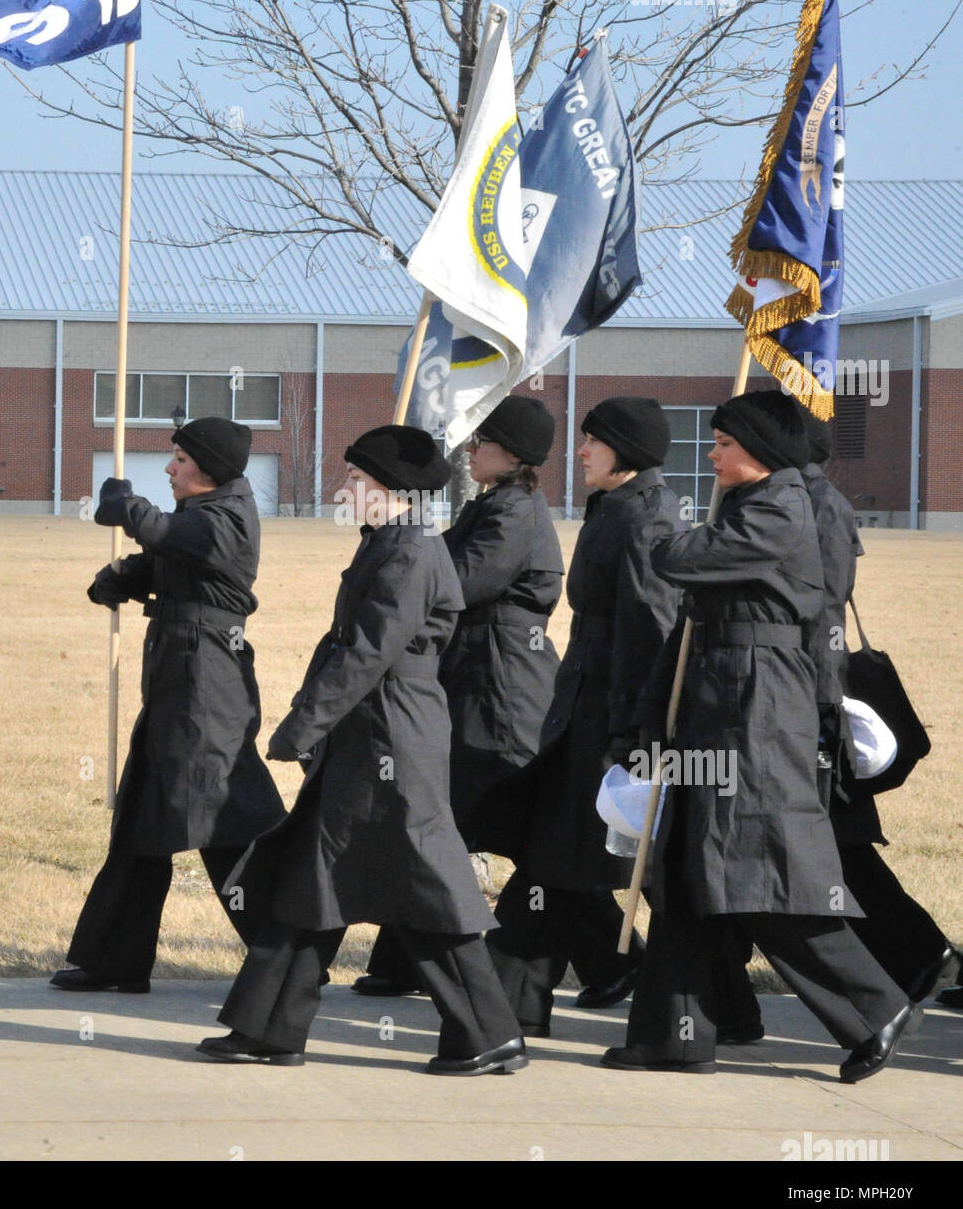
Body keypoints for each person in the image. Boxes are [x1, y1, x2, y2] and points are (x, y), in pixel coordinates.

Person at [603, 390, 914, 1083]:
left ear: (762, 452)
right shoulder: (747, 504)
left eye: (723, 444)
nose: (710, 455)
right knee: (687, 868)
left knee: (752, 868)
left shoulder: (777, 510)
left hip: (755, 702)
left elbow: (676, 558)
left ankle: (874, 1007)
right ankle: (672, 1034)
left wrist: (650, 522)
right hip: (717, 693)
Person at [195, 425, 527, 1074]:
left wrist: (303, 725)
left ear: (389, 489)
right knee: (312, 877)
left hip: (391, 735)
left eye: (355, 478)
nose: (344, 488)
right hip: (368, 733)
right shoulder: (391, 542)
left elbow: (369, 652)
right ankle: (270, 1029)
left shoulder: (408, 552)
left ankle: (488, 1032)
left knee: (421, 886)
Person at [712, 405, 958, 1040]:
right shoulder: (796, 497)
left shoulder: (810, 506)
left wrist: (817, 705)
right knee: (829, 849)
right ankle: (917, 959)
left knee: (829, 850)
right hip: (795, 691)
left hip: (803, 696)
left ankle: (914, 960)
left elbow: (816, 607)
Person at [50, 417, 285, 994]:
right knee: (145, 818)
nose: (169, 467)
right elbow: (167, 560)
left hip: (209, 688)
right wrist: (122, 578)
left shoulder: (225, 519)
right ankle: (115, 960)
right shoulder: (201, 515)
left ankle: (289, 957)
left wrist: (120, 500)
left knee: (223, 819)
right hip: (179, 683)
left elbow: (164, 535)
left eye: (178, 459)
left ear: (207, 469)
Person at [485, 397, 686, 1036]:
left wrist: (638, 736)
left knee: (611, 866)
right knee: (560, 859)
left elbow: (652, 631)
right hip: (583, 706)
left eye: (593, 441)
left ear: (624, 449)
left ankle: (713, 1003)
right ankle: (514, 1005)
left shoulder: (645, 520)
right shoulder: (614, 506)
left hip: (613, 718)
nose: (580, 452)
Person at [352, 396, 564, 998]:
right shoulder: (493, 504)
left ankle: (605, 959)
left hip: (501, 695)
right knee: (445, 824)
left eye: (482, 442)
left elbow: (458, 583)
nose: (470, 451)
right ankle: (401, 964)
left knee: (457, 826)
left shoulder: (514, 513)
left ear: (514, 455)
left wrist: (399, 553)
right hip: (476, 686)